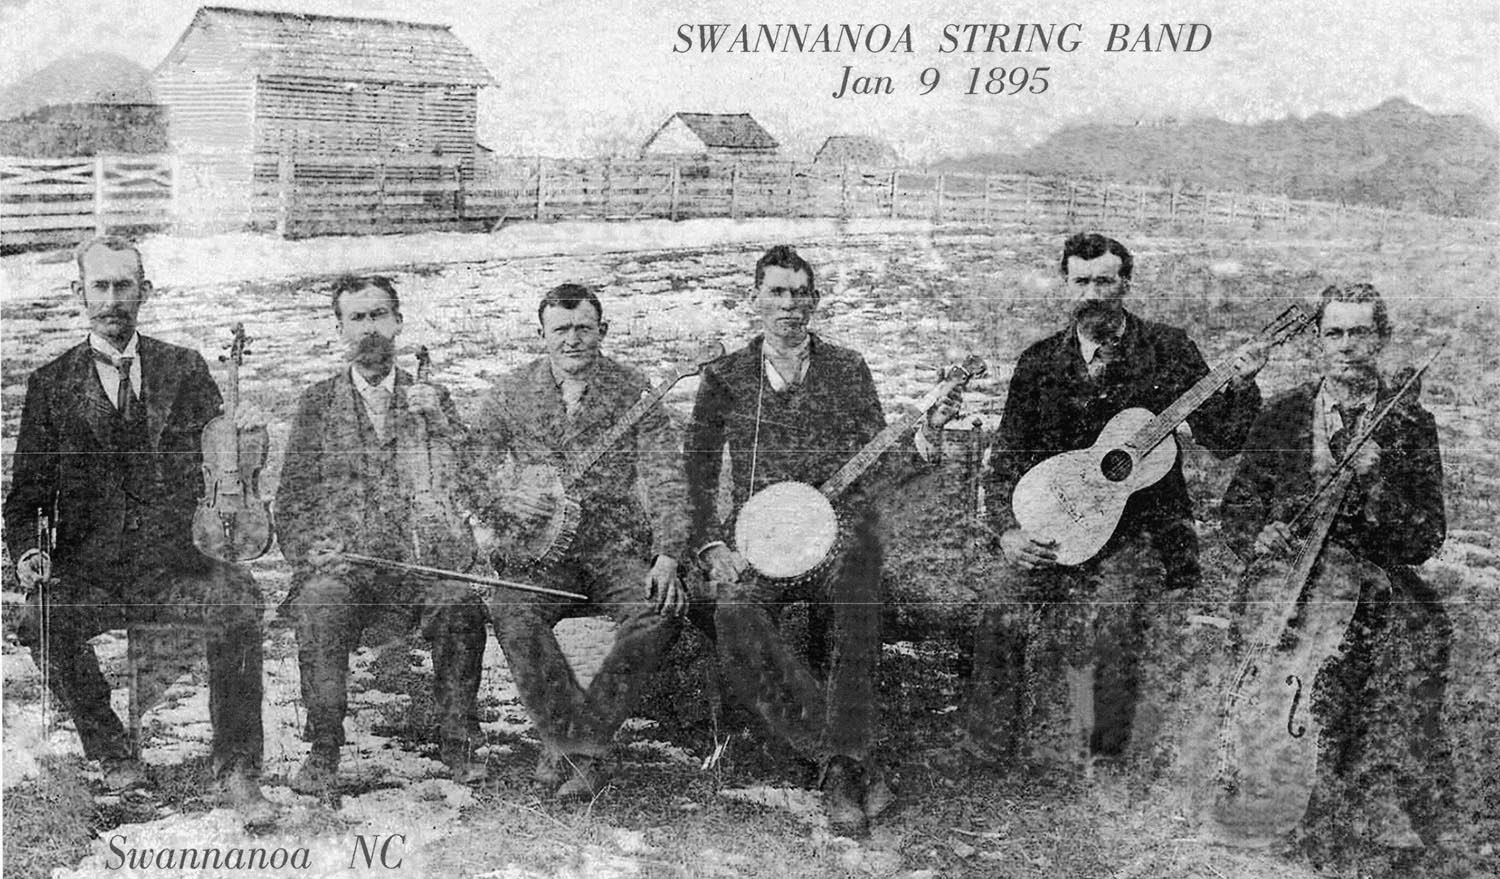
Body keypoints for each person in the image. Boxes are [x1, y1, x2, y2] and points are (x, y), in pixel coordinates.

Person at [947, 232, 1269, 770]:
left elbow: (1223, 439)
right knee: (1001, 605)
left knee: (1113, 617)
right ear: (1065, 284)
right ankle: (986, 746)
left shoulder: (1168, 349)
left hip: (1137, 527)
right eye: (1082, 281)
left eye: (1105, 281)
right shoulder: (1040, 362)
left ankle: (1106, 757)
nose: (1093, 293)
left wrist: (1240, 387)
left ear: (1125, 283)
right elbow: (1006, 458)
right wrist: (1007, 530)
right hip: (1057, 522)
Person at [684, 244, 957, 836]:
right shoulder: (724, 377)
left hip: (836, 535)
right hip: (760, 539)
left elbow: (880, 464)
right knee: (733, 610)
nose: (789, 305)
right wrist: (710, 545)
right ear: (754, 299)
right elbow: (697, 475)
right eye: (776, 292)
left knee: (859, 594)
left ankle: (840, 766)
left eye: (800, 293)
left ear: (815, 300)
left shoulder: (847, 368)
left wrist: (927, 431)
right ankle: (841, 758)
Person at [3, 236, 270, 820]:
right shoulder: (51, 384)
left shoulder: (185, 367)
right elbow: (24, 496)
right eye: (100, 286)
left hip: (176, 564)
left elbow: (224, 460)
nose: (113, 299)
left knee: (241, 601)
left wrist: (243, 427)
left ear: (144, 292)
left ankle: (239, 766)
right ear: (79, 293)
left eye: (125, 286)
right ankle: (111, 748)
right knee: (38, 618)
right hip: (91, 572)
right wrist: (27, 552)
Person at [1221, 282, 1450, 850]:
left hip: (1371, 571)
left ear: (1383, 338)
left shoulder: (1409, 425)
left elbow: (1425, 534)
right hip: (1289, 570)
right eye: (1335, 333)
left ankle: (1375, 788)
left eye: (1360, 333)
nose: (1347, 346)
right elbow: (1239, 507)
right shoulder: (1283, 413)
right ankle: (1248, 769)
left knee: (1420, 634)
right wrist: (1261, 533)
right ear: (1318, 342)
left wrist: (1377, 482)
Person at [468, 283, 690, 799]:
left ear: (603, 332)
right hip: (540, 551)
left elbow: (665, 477)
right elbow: (473, 468)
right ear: (542, 335)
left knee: (657, 611)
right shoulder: (511, 393)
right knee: (513, 609)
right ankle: (573, 742)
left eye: (583, 328)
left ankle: (578, 745)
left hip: (615, 545)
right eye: (561, 330)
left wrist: (669, 552)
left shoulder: (634, 392)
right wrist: (508, 498)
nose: (573, 340)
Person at [277, 275, 489, 794]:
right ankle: (325, 747)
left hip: (422, 562)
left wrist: (440, 423)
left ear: (397, 322)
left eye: (378, 316)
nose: (369, 329)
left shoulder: (431, 398)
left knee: (458, 602)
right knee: (320, 605)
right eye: (357, 318)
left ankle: (458, 740)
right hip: (346, 566)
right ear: (340, 329)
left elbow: (476, 480)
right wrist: (311, 552)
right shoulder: (317, 405)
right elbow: (291, 500)